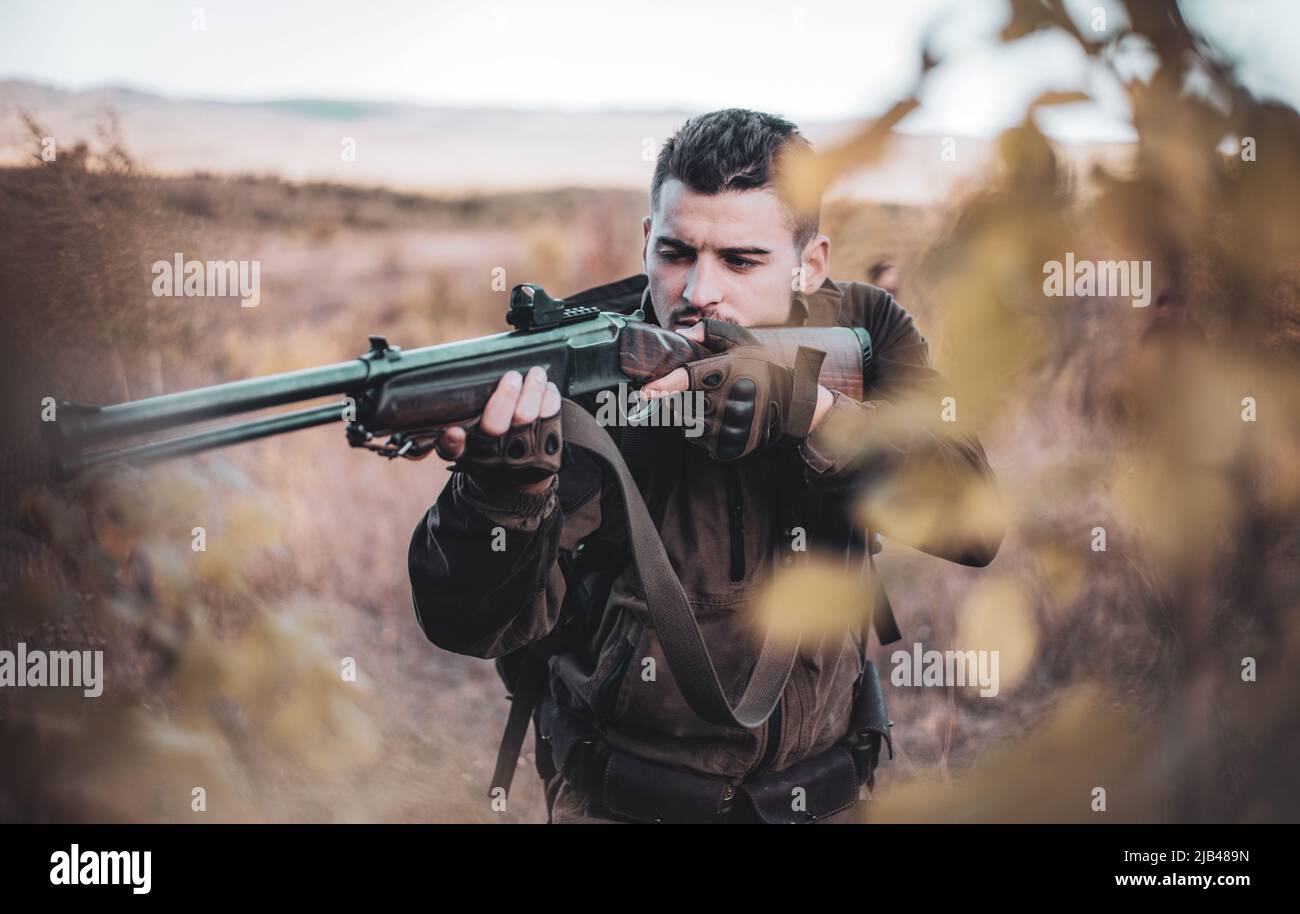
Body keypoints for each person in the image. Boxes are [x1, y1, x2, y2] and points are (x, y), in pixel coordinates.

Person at [408, 109, 1002, 823]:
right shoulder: (588, 366)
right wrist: (503, 490)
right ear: (645, 241)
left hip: (828, 793)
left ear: (810, 263)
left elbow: (974, 525)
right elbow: (471, 624)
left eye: (742, 261)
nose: (697, 293)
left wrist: (809, 414)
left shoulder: (865, 329)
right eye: (676, 252)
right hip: (623, 801)